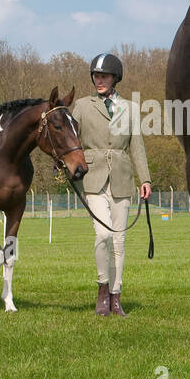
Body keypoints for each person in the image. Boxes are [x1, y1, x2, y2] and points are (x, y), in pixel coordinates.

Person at [69, 53, 152, 317]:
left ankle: (116, 298)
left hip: (122, 178)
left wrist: (145, 179)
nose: (99, 80)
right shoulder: (82, 106)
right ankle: (102, 290)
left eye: (104, 75)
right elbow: (69, 140)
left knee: (119, 240)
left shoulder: (129, 108)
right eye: (96, 75)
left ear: (116, 78)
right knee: (102, 235)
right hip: (93, 178)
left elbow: (136, 146)